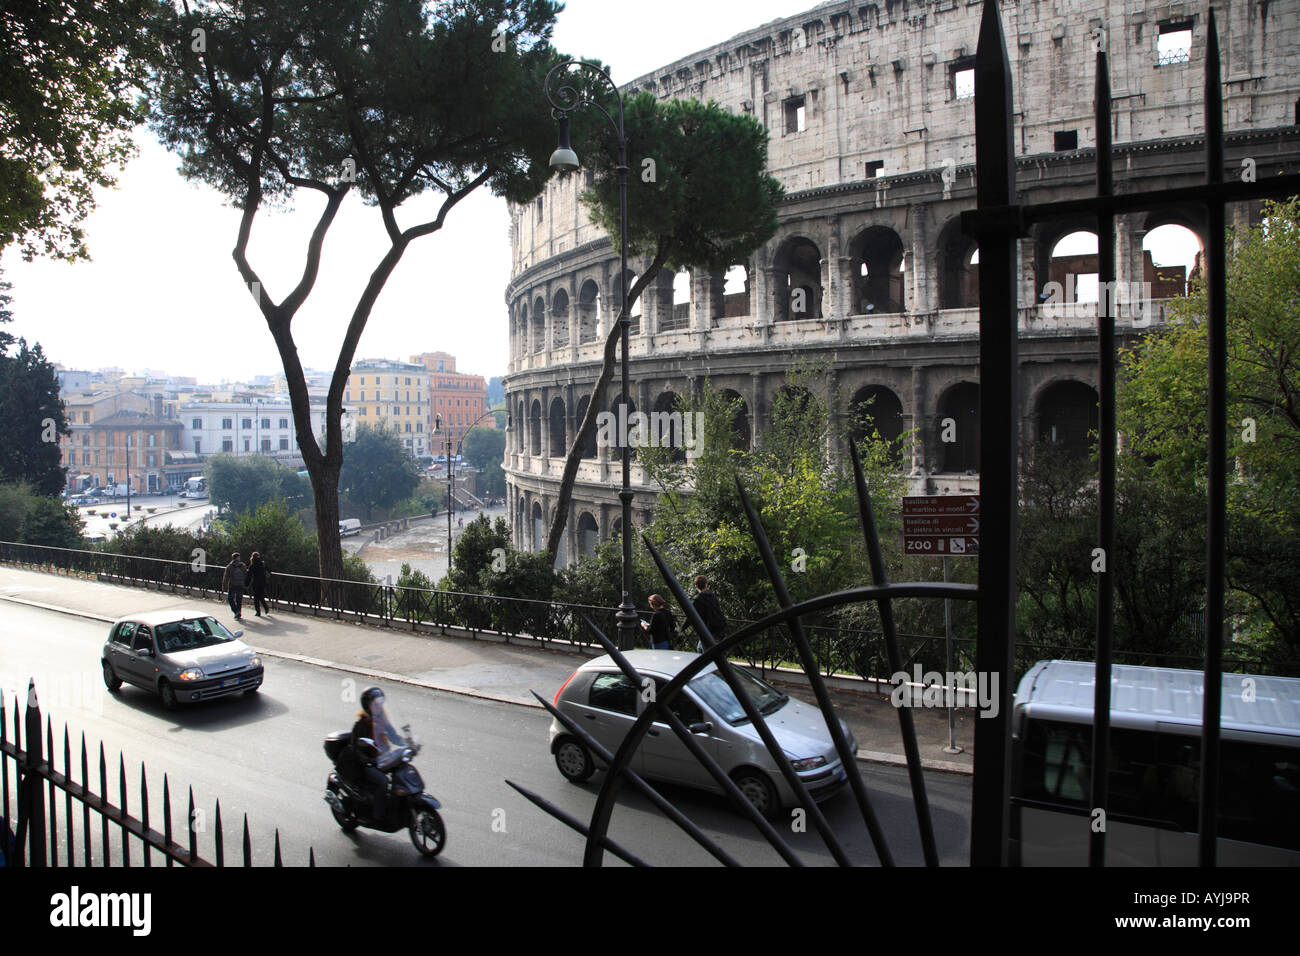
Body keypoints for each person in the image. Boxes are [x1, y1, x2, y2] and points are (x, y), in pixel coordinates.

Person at [689, 575, 728, 650]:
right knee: (701, 648)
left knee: (705, 651)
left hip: (705, 628)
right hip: (715, 626)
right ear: (706, 584)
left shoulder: (698, 599)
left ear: (696, 586)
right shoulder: (712, 596)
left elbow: (694, 615)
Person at [221, 553, 247, 620]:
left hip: (232, 585)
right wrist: (246, 585)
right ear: (238, 558)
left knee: (230, 599)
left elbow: (226, 578)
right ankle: (239, 612)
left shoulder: (229, 566)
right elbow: (246, 576)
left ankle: (236, 612)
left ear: (232, 558)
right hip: (241, 585)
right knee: (239, 599)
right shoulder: (243, 566)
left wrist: (224, 587)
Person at [248, 552, 270, 617]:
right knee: (260, 596)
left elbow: (249, 575)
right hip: (263, 582)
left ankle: (258, 612)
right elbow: (269, 570)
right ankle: (266, 607)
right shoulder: (263, 564)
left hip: (255, 583)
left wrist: (246, 584)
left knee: (256, 598)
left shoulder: (252, 565)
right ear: (259, 556)